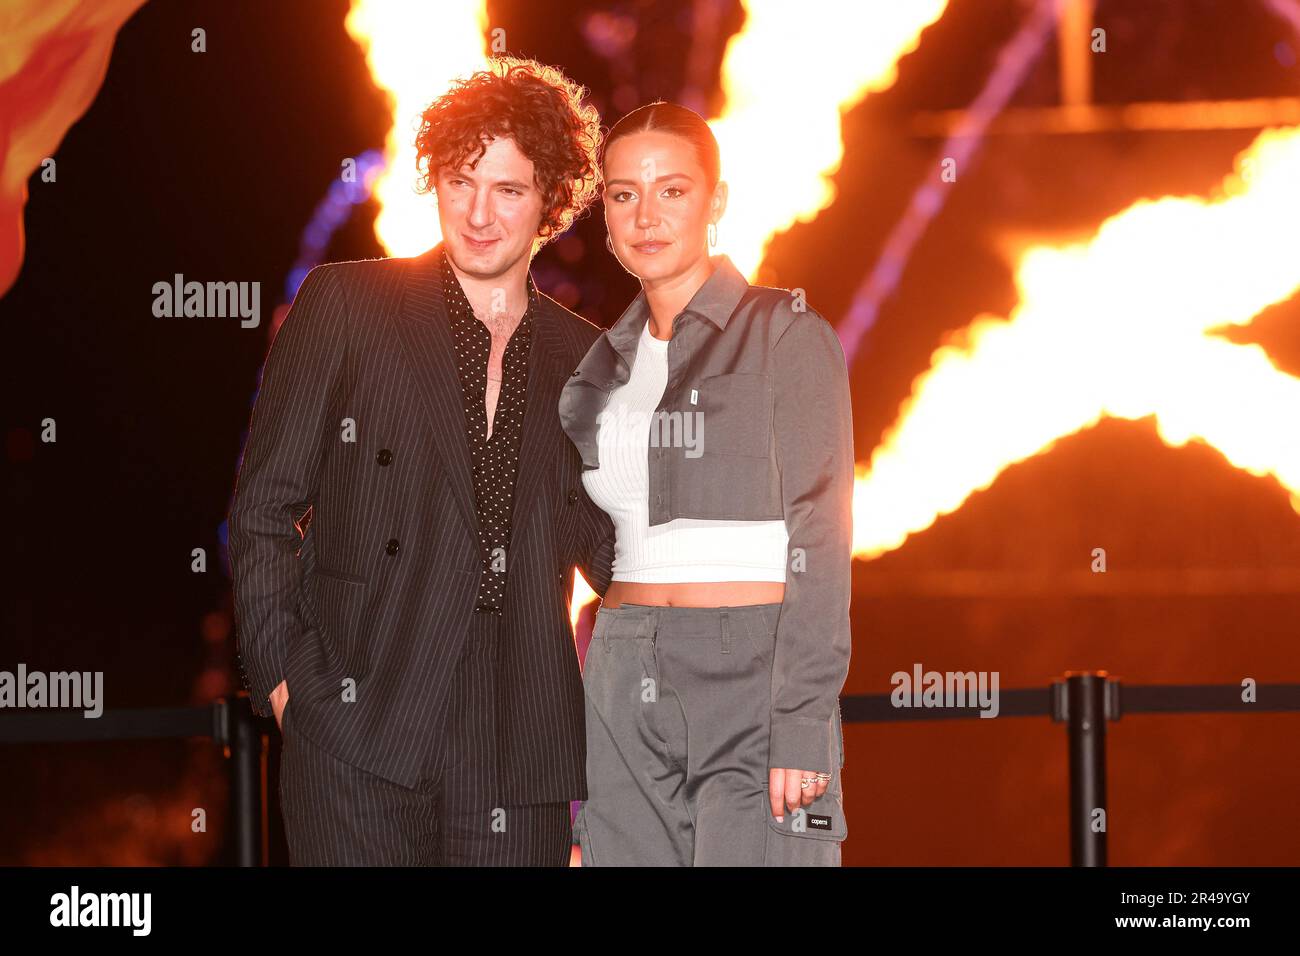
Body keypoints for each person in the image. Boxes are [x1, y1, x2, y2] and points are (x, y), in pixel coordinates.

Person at [228, 56, 615, 866]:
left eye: (507, 189)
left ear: (549, 200)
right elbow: (264, 505)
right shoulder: (347, 305)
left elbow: (615, 553)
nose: (478, 213)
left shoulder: (589, 360)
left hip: (519, 743)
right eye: (460, 180)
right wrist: (287, 688)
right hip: (360, 719)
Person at [559, 102, 855, 866]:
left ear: (716, 201)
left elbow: (821, 539)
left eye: (673, 190)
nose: (645, 216)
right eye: (624, 194)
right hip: (621, 665)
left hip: (751, 672)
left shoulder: (785, 334)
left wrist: (801, 721)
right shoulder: (597, 368)